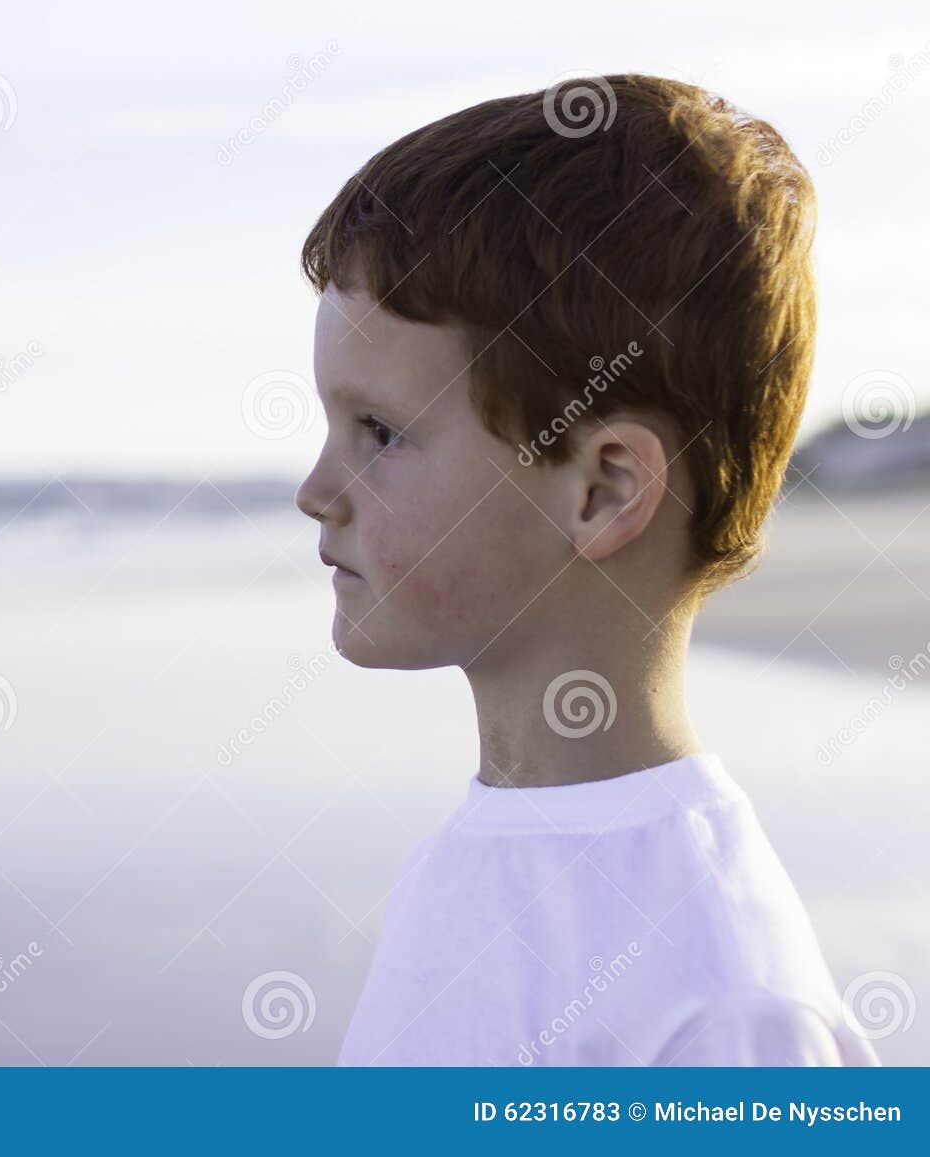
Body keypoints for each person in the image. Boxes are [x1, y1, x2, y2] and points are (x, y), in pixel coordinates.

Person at [294, 74, 880, 1066]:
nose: (316, 488)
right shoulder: (462, 856)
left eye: (380, 431)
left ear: (604, 489)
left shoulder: (722, 1001)